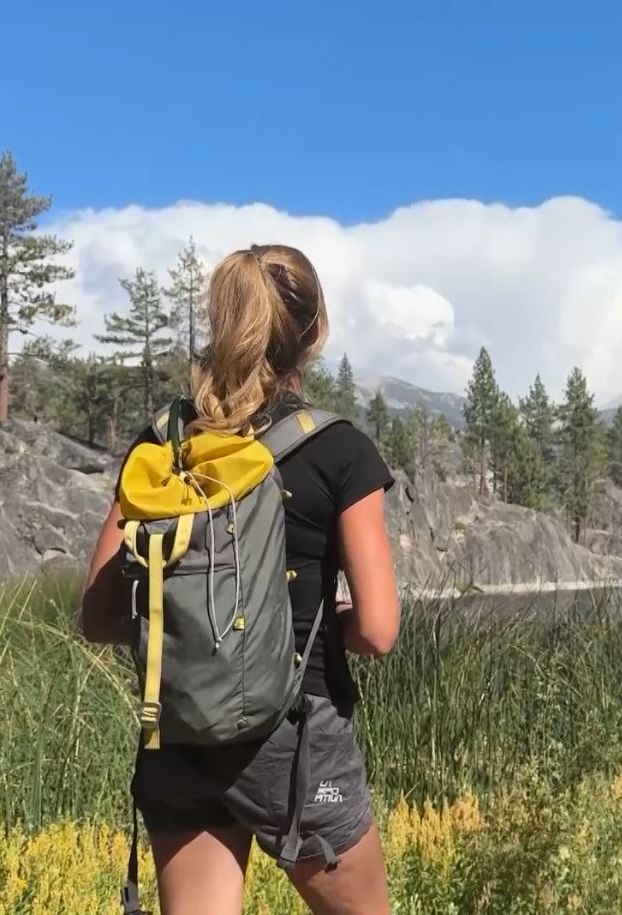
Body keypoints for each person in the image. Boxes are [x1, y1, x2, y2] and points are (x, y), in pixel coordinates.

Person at [80, 244, 400, 915]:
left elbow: (99, 618)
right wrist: (322, 627)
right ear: (313, 332)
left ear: (219, 320)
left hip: (179, 732)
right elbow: (377, 630)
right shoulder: (339, 448)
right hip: (294, 734)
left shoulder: (163, 444)